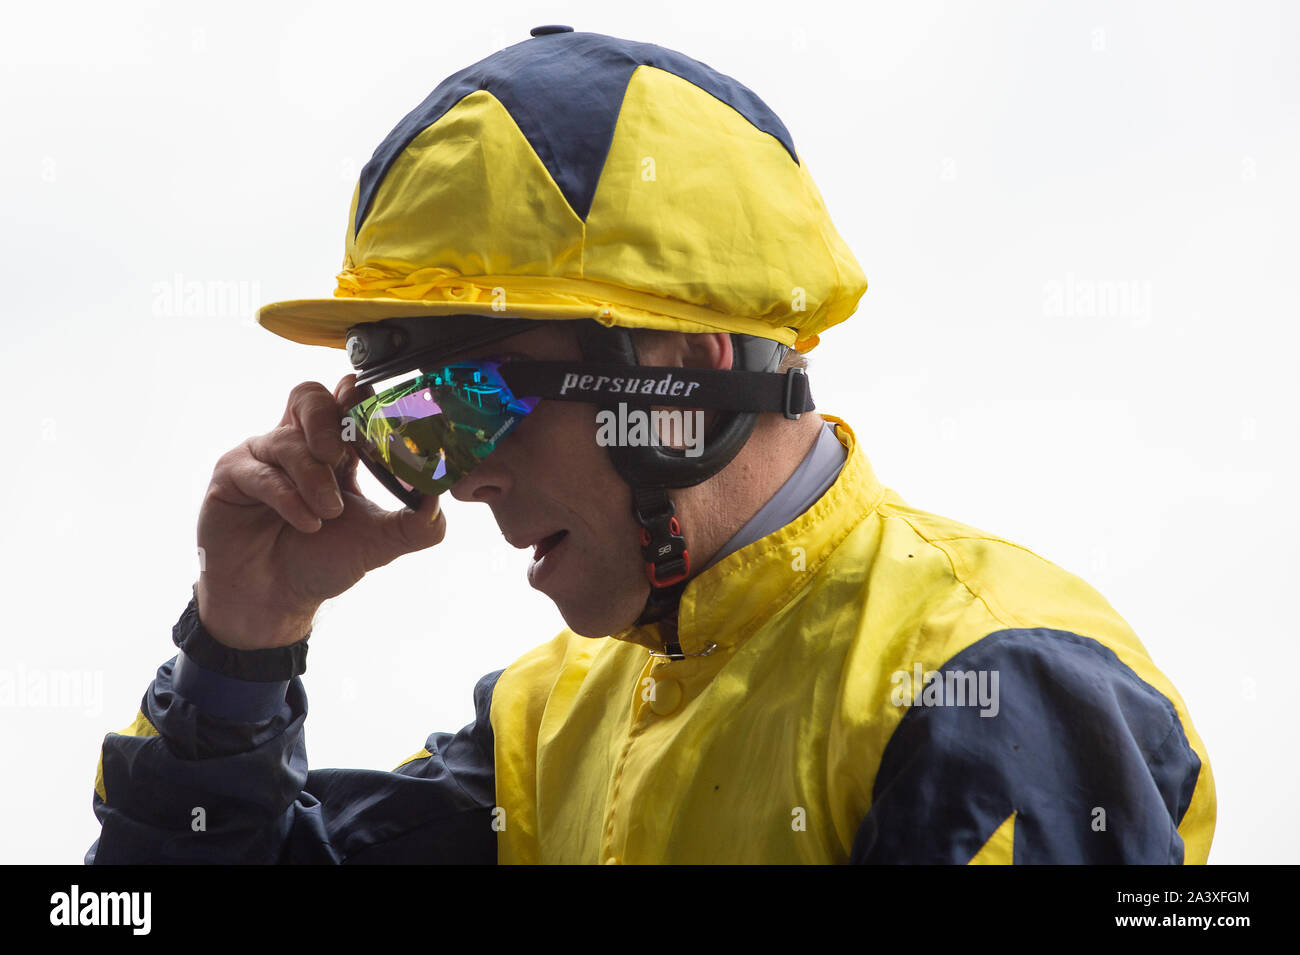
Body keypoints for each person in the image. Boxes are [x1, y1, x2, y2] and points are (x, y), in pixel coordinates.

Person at [87, 26, 1215, 865]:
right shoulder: (543, 725)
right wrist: (245, 639)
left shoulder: (989, 678)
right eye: (407, 422)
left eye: (474, 397)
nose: (462, 475)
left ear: (683, 360)